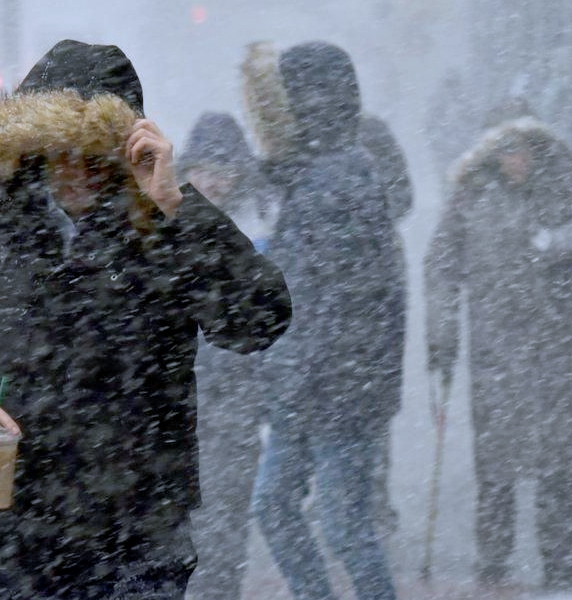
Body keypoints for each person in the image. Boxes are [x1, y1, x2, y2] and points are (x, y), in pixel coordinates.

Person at [0, 40, 291, 600]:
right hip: (13, 540)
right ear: (28, 149)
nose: (79, 170)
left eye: (99, 152)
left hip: (141, 538)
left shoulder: (163, 231)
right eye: (61, 149)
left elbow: (259, 319)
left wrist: (176, 204)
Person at [242, 41, 403, 600]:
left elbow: (344, 300)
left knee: (342, 524)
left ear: (307, 101)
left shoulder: (339, 179)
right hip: (312, 385)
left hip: (336, 388)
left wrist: (294, 374)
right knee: (279, 508)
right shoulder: (313, 176)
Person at [425, 112, 572, 590]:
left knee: (558, 462)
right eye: (508, 150)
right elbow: (441, 268)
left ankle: (560, 560)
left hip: (556, 350)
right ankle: (493, 561)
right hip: (495, 353)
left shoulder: (563, 192)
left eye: (526, 149)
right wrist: (442, 334)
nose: (518, 160)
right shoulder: (471, 197)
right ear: (492, 152)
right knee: (496, 465)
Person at [178, 111, 281, 600]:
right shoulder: (162, 219)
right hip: (173, 396)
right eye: (204, 168)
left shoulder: (260, 225)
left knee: (226, 513)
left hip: (235, 394)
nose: (214, 180)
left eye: (224, 169)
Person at [358, 112, 413, 537]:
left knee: (373, 401)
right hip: (364, 289)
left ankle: (370, 497)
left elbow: (402, 196)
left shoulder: (371, 133)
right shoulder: (295, 139)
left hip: (376, 291)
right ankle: (358, 497)